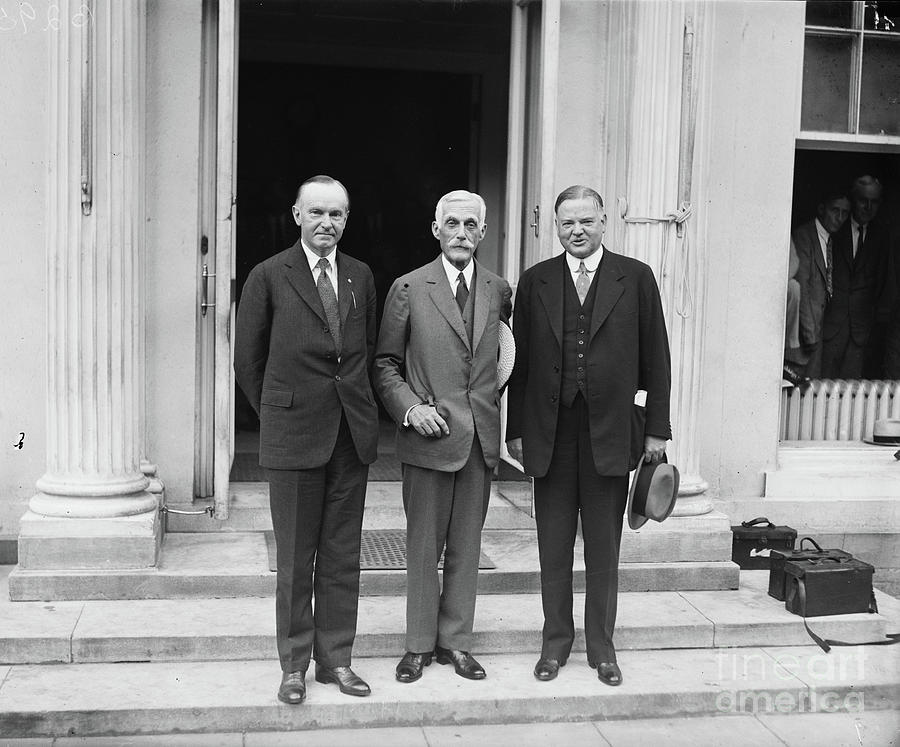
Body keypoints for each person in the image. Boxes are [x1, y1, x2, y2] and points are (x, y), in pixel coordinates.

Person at [506, 185, 671, 687]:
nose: (577, 231)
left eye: (586, 222)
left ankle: (602, 647)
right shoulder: (535, 282)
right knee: (552, 546)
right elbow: (520, 363)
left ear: (604, 222)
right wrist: (515, 432)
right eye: (566, 223)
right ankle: (554, 644)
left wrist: (656, 433)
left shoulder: (635, 277)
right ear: (555, 227)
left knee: (604, 547)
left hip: (610, 433)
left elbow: (656, 359)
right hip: (550, 434)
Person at [234, 175, 378, 705]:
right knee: (296, 557)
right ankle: (294, 665)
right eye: (316, 212)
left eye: (336, 214)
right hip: (295, 435)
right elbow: (247, 361)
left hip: (350, 436)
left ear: (346, 219)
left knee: (342, 555)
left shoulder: (361, 275)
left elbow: (362, 353)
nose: (327, 223)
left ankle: (336, 660)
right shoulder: (269, 275)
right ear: (296, 215)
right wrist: (281, 412)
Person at [373, 189, 512, 684]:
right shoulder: (410, 287)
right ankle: (416, 647)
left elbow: (507, 355)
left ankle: (456, 643)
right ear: (436, 230)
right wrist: (411, 409)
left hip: (479, 440)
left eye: (471, 225)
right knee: (423, 546)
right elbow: (385, 365)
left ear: (483, 232)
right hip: (428, 439)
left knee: (467, 546)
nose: (461, 233)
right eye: (452, 223)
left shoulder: (498, 289)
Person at [822, 175, 888, 379]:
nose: (868, 207)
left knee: (851, 397)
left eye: (874, 202)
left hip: (861, 333)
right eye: (863, 200)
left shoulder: (881, 237)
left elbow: (882, 285)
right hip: (831, 328)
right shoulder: (835, 227)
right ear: (853, 199)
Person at [789, 191, 851, 380]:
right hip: (801, 341)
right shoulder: (804, 236)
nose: (839, 218)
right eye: (835, 210)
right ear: (822, 209)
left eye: (845, 213)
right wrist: (810, 335)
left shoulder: (830, 240)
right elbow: (802, 288)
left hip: (815, 339)